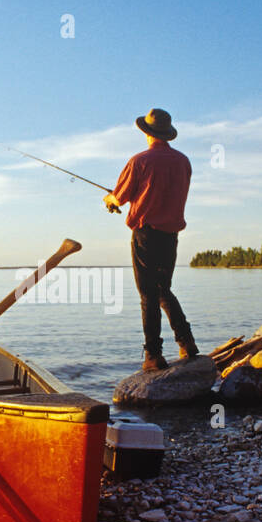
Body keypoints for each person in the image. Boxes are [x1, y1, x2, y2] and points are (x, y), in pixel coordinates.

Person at [104, 108, 199, 372]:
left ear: (146, 133)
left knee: (148, 294)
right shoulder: (183, 162)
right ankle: (186, 342)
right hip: (171, 235)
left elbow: (119, 197)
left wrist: (109, 200)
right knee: (162, 290)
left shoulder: (139, 161)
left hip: (146, 234)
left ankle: (153, 357)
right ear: (166, 134)